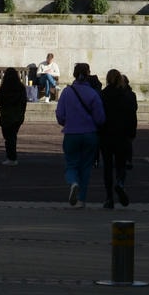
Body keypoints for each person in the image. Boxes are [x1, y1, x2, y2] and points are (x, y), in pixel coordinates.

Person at [55, 61, 107, 206]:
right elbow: (100, 118)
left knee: (71, 164)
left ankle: (73, 182)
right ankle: (81, 199)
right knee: (86, 167)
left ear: (74, 74)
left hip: (71, 133)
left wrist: (67, 122)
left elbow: (60, 114)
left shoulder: (66, 92)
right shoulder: (93, 93)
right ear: (88, 73)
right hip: (90, 133)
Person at [100, 69, 137, 209]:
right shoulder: (128, 95)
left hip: (106, 135)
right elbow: (132, 116)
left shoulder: (103, 94)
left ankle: (109, 198)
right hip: (122, 135)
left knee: (108, 167)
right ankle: (120, 183)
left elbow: (99, 115)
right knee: (121, 164)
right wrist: (132, 133)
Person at [0, 67, 28, 164]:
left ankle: (11, 157)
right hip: (17, 115)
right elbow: (24, 102)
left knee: (8, 138)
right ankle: (12, 157)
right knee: (12, 136)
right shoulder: (21, 87)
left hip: (7, 115)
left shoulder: (5, 87)